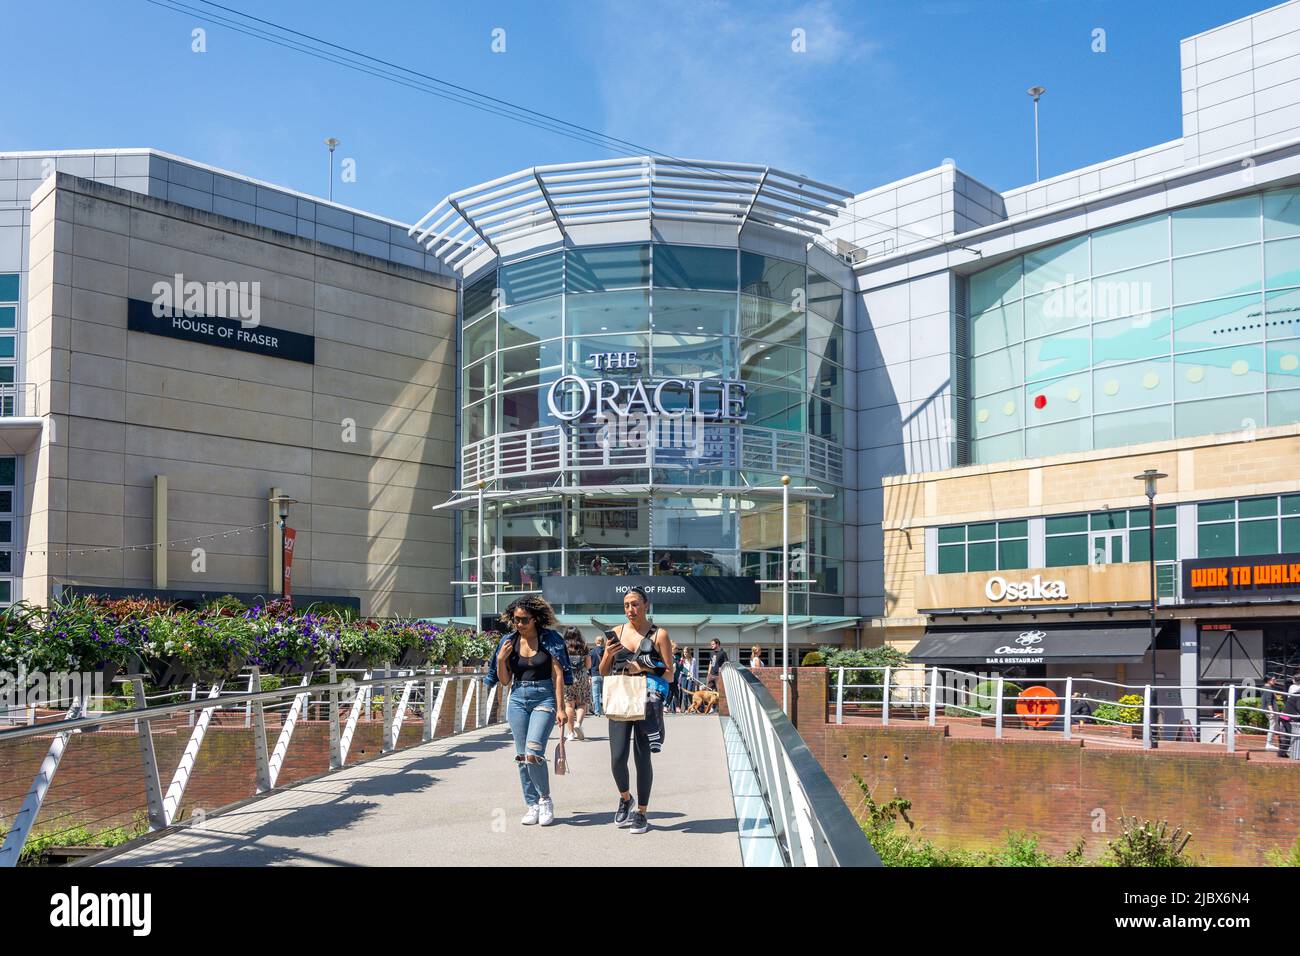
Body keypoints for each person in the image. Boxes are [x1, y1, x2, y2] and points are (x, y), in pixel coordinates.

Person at [483, 596, 572, 826]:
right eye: (515, 620)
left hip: (544, 696)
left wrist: (561, 708)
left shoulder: (550, 639)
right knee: (522, 757)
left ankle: (544, 799)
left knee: (533, 752)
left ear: (535, 619)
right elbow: (504, 681)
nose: (519, 624)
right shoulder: (508, 641)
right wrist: (501, 660)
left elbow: (558, 675)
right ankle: (531, 804)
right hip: (518, 698)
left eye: (523, 620)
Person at [600, 586, 673, 834]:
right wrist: (608, 656)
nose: (630, 609)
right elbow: (602, 672)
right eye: (626, 605)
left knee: (643, 758)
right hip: (620, 698)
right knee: (617, 757)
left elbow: (671, 674)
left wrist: (643, 666)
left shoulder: (659, 634)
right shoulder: (616, 633)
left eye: (635, 604)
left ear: (646, 605)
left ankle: (641, 811)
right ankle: (625, 797)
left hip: (647, 701)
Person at [562, 627, 592, 740]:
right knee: (582, 703)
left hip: (568, 677)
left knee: (569, 705)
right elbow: (588, 665)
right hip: (582, 677)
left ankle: (570, 733)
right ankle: (578, 724)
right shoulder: (584, 646)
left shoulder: (563, 646)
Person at [1262, 676, 1282, 751]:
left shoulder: (1266, 688)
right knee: (1273, 726)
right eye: (1273, 679)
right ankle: (1269, 743)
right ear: (1268, 680)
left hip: (1270, 710)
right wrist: (1272, 711)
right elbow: (1268, 701)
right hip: (1270, 710)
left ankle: (1272, 743)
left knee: (1275, 726)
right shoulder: (1268, 689)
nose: (1275, 680)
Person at [589, 635, 605, 717]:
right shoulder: (606, 651)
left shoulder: (592, 652)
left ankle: (597, 711)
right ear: (603, 642)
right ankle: (606, 710)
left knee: (596, 695)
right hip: (604, 675)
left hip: (594, 675)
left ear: (596, 642)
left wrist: (589, 675)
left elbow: (589, 665)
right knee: (605, 694)